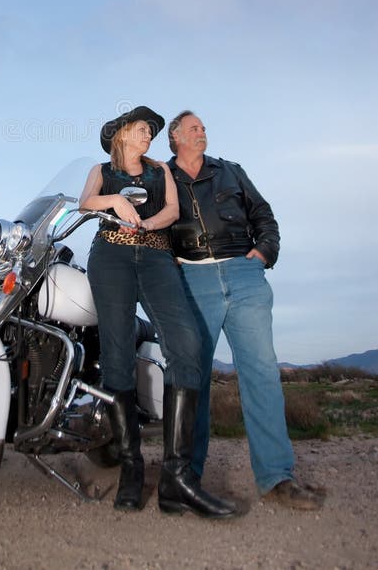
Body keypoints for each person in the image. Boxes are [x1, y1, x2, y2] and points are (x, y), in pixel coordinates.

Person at [80, 105, 236, 517]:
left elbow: (171, 211)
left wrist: (149, 226)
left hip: (155, 257)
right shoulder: (101, 170)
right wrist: (113, 199)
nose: (148, 134)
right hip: (110, 256)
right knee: (116, 355)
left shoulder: (159, 171)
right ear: (121, 134)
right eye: (141, 128)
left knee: (186, 344)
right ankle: (131, 467)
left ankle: (176, 479)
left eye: (152, 130)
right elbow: (84, 204)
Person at [166, 110, 325, 510]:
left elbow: (263, 215)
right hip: (193, 281)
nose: (202, 132)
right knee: (193, 381)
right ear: (175, 137)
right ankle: (188, 480)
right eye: (194, 128)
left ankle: (278, 477)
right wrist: (169, 267)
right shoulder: (160, 178)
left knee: (262, 374)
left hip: (245, 275)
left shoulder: (231, 171)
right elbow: (153, 229)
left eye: (203, 127)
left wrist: (263, 253)